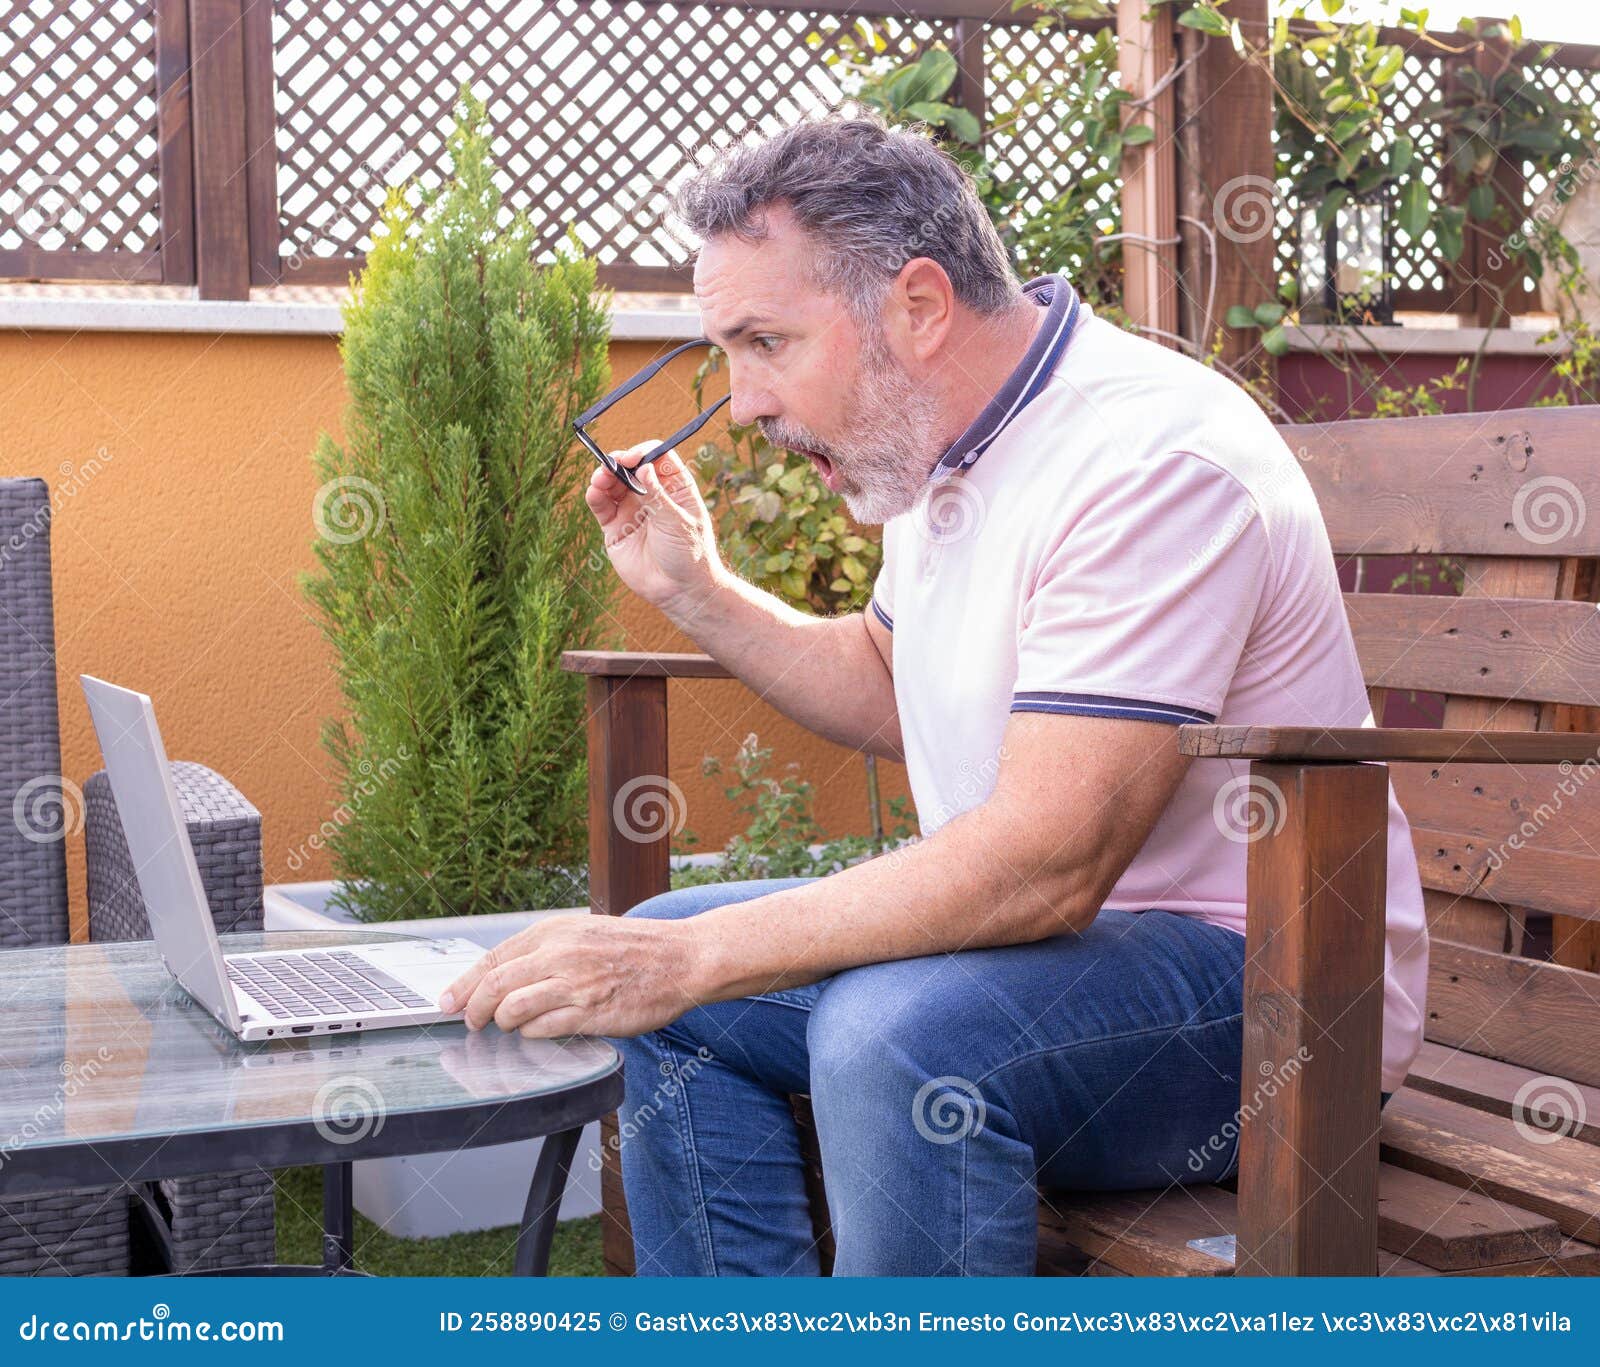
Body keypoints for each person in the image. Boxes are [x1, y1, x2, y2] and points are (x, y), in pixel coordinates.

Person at [441, 113, 1427, 1276]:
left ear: (914, 307)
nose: (744, 402)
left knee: (886, 1041)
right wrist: (695, 589)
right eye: (728, 354)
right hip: (1050, 969)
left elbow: (1047, 860)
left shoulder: (1149, 459)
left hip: (1269, 993)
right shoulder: (947, 445)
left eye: (765, 342)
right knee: (666, 963)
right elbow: (881, 679)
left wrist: (705, 958)